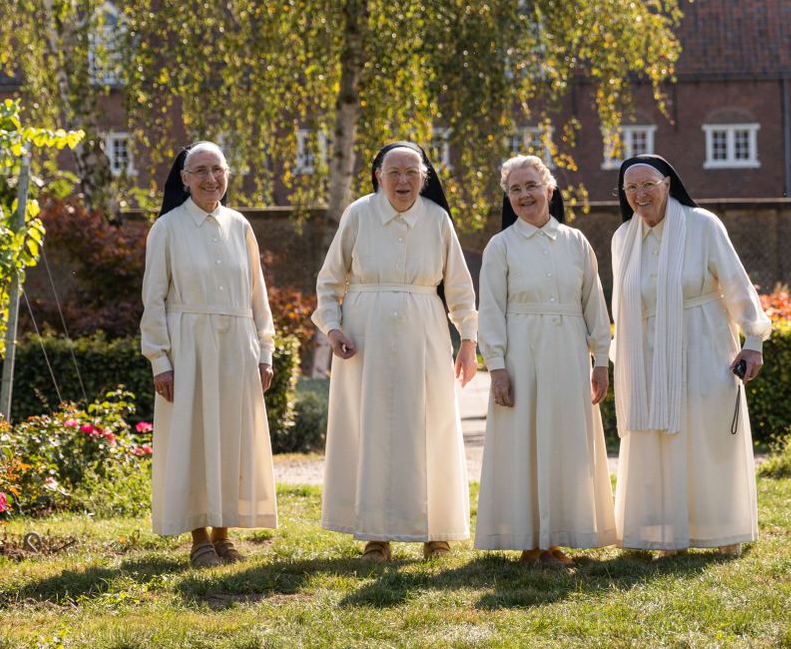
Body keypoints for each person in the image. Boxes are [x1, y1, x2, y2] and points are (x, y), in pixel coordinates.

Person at [313, 142, 478, 561]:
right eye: (394, 173)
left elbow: (459, 287)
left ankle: (435, 531)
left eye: (411, 172)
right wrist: (332, 328)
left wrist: (469, 342)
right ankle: (375, 535)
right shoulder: (357, 214)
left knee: (429, 426)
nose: (403, 181)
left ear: (424, 177)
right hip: (364, 336)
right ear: (378, 176)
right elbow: (330, 281)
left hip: (425, 330)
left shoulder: (438, 219)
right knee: (372, 431)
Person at [610, 154, 771, 556]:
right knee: (658, 440)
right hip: (646, 354)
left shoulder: (702, 226)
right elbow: (621, 305)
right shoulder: (621, 239)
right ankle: (666, 534)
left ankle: (723, 532)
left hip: (704, 342)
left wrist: (753, 340)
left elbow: (737, 284)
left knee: (707, 435)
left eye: (647, 184)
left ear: (667, 184)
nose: (639, 194)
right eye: (631, 188)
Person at [140, 141, 277, 568]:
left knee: (232, 438)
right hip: (189, 347)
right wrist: (160, 360)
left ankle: (224, 534)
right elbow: (154, 300)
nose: (210, 179)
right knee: (194, 439)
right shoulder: (167, 228)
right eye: (199, 171)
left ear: (228, 174)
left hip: (237, 346)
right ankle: (198, 537)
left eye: (217, 169)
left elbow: (257, 294)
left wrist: (265, 350)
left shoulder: (240, 226)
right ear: (184, 178)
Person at [475, 155, 617, 566]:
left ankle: (560, 535)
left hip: (570, 354)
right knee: (524, 441)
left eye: (531, 186)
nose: (524, 195)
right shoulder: (500, 247)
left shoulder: (576, 242)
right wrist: (497, 365)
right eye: (515, 189)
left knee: (565, 441)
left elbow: (594, 305)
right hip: (521, 354)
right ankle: (529, 541)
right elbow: (491, 311)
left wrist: (602, 361)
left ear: (549, 189)